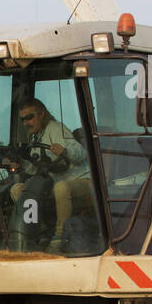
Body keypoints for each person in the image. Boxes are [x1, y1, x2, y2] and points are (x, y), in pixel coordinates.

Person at [8, 98, 93, 249]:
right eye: (23, 119)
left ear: (41, 114)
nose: (26, 123)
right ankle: (39, 231)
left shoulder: (56, 129)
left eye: (29, 117)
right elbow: (38, 168)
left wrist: (65, 151)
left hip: (81, 181)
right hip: (55, 184)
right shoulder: (36, 137)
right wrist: (22, 164)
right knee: (18, 190)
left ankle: (60, 236)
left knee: (61, 187)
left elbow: (81, 152)